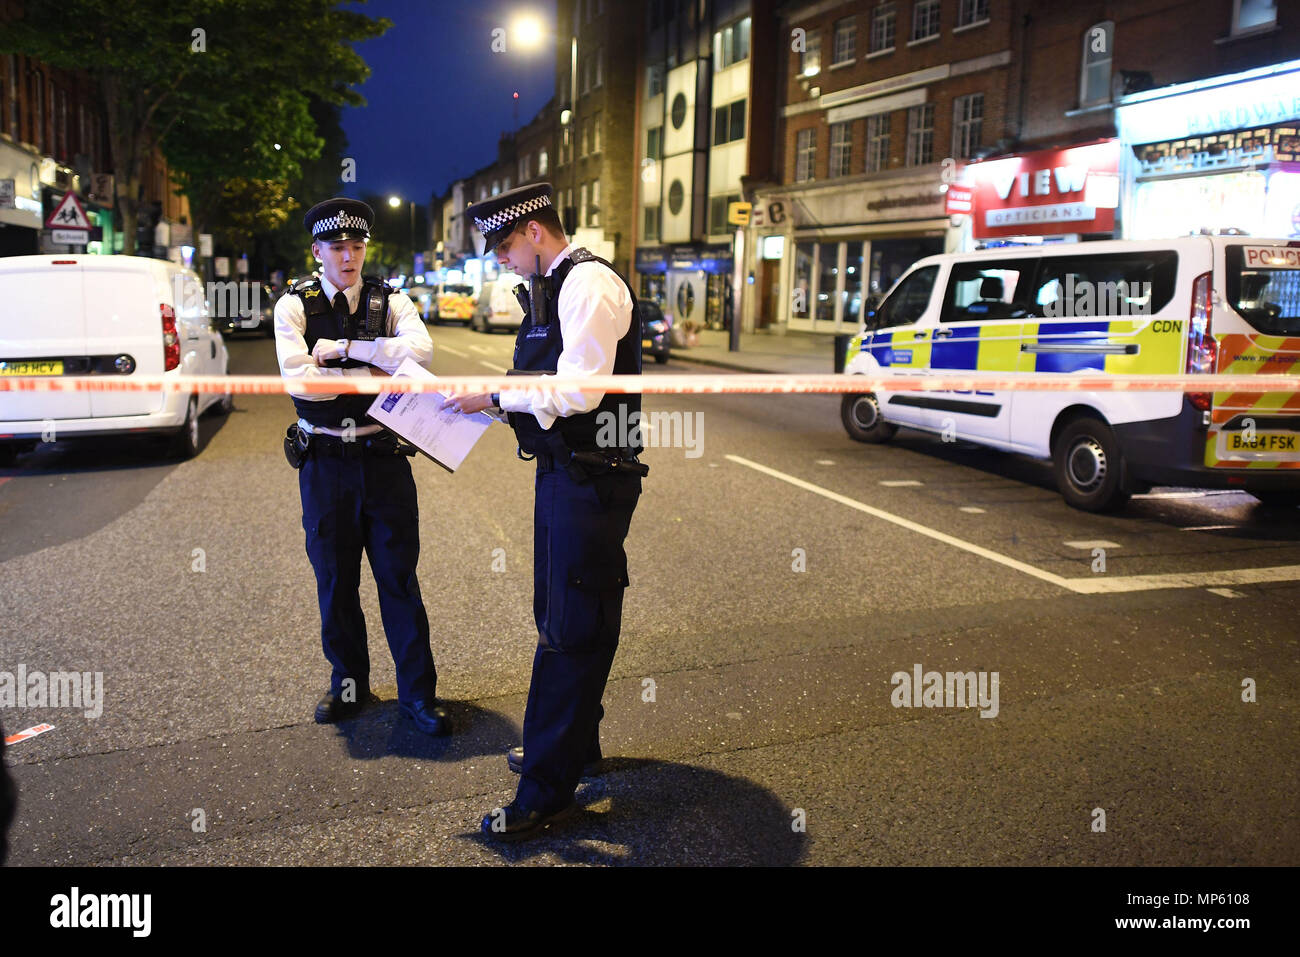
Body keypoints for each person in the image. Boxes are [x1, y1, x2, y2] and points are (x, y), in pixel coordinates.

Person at [443, 182, 644, 841]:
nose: (499, 258)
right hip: (568, 472)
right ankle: (572, 747)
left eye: (504, 244)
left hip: (591, 473)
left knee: (568, 628)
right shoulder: (552, 289)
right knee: (569, 614)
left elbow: (581, 390)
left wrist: (496, 393)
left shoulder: (587, 285)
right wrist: (496, 402)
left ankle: (544, 794)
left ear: (534, 231)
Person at [275, 197, 450, 736]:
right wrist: (375, 364)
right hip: (325, 461)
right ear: (317, 251)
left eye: (356, 246)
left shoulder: (388, 299)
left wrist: (343, 349)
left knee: (399, 580)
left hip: (383, 460)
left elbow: (420, 351)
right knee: (335, 581)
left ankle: (418, 697)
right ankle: (349, 685)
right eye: (337, 247)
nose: (348, 257)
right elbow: (300, 382)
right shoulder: (294, 306)